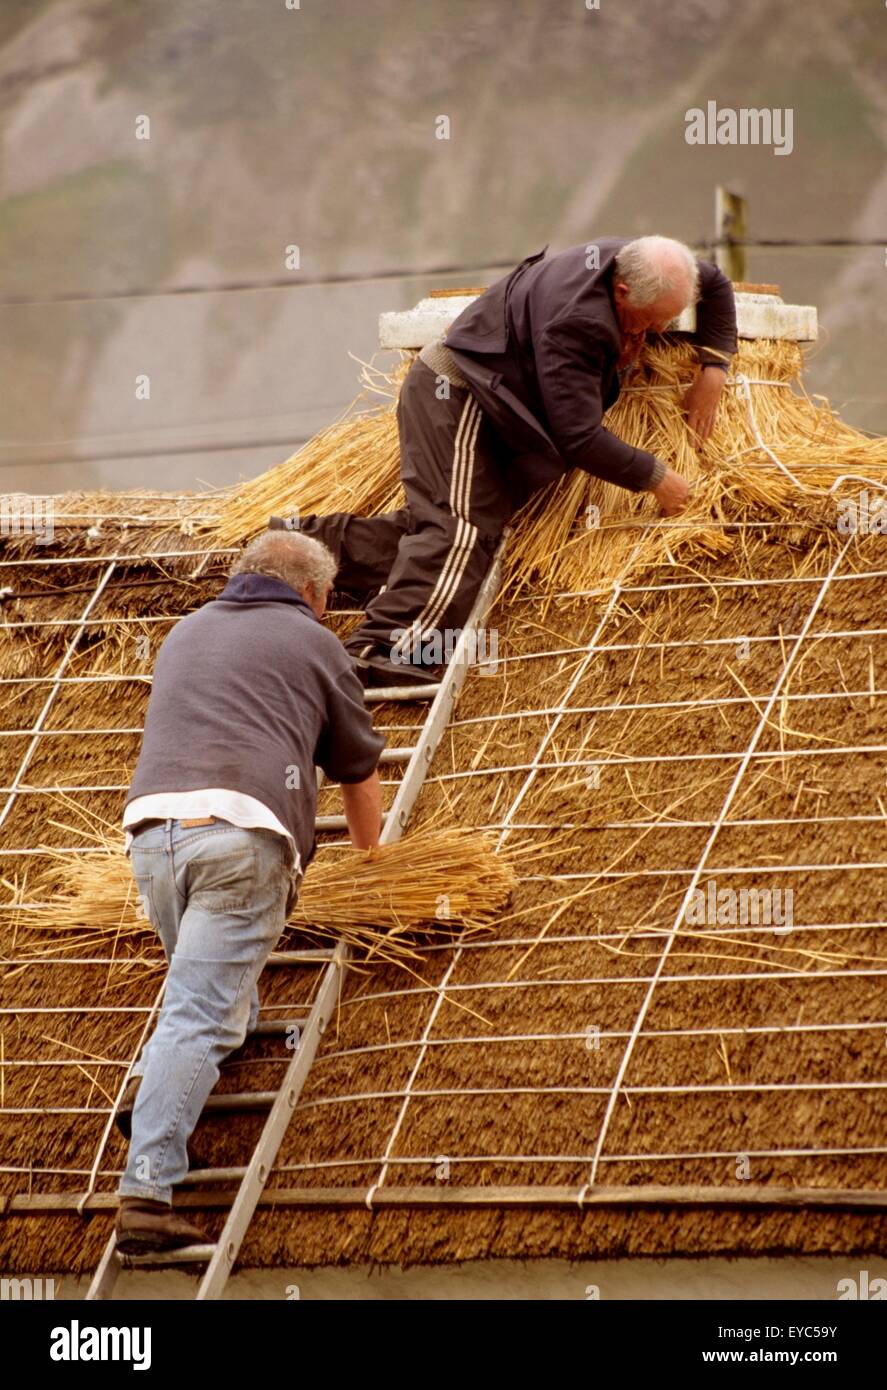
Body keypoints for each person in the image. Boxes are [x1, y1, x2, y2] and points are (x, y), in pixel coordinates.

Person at [288, 235, 736, 686]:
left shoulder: (650, 265)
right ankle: (381, 649)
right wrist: (656, 477)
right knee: (457, 530)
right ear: (622, 291)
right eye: (652, 320)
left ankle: (294, 551)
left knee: (441, 537)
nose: (660, 330)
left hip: (501, 415)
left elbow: (716, 286)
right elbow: (579, 436)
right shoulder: (575, 321)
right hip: (460, 396)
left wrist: (713, 368)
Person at [114, 530, 384, 1253]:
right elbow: (358, 770)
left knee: (208, 1002)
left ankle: (157, 1103)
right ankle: (145, 1191)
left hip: (151, 838)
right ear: (310, 593)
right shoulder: (313, 642)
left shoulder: (185, 632)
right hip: (241, 839)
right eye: (326, 601)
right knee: (199, 1016)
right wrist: (372, 860)